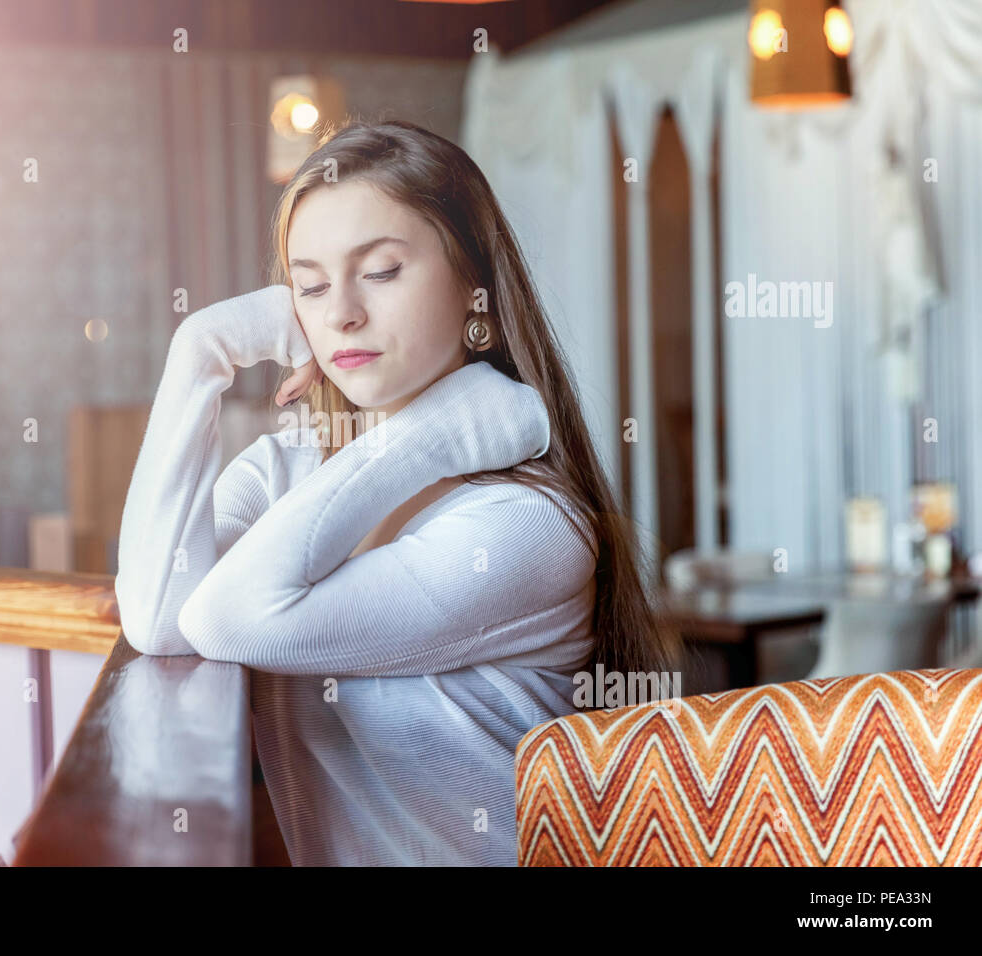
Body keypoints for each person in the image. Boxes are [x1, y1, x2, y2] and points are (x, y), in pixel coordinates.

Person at [114, 118, 678, 865]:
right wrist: (200, 353)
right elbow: (161, 618)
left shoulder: (527, 526)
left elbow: (230, 616)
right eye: (308, 285)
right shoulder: (282, 468)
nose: (340, 311)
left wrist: (435, 430)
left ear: (476, 286)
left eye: (380, 271)